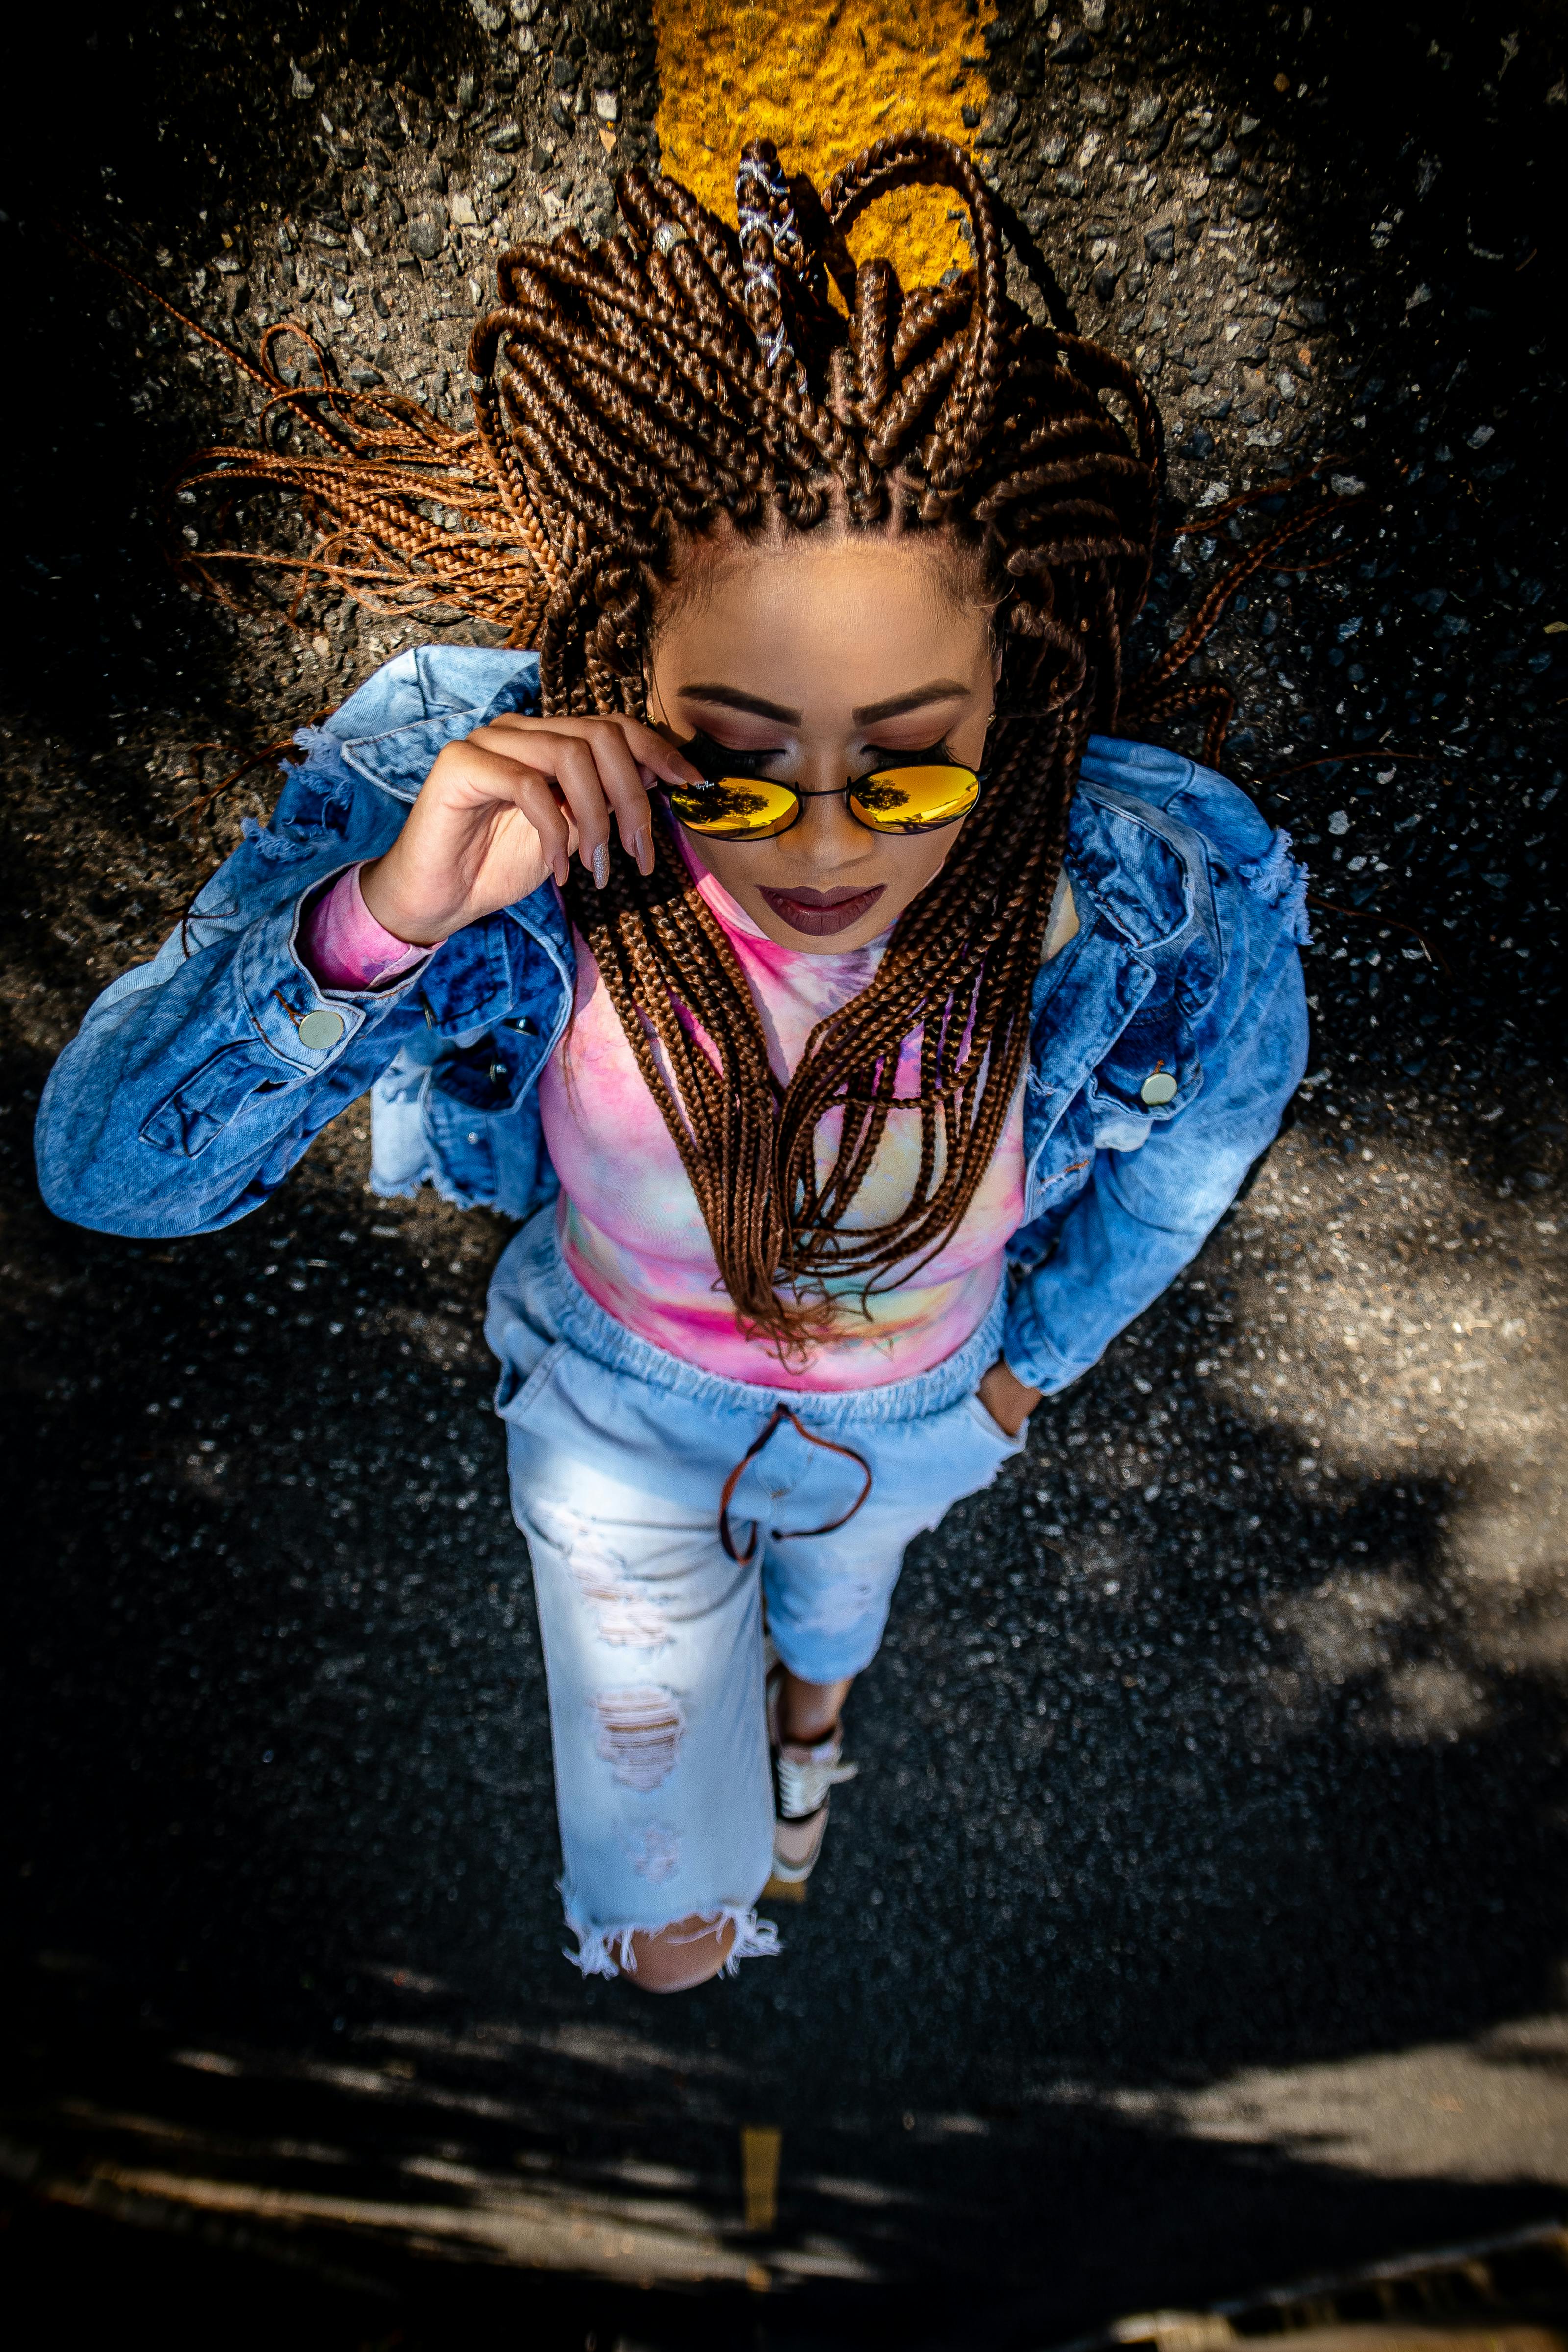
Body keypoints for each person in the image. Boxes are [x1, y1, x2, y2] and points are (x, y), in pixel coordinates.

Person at [35, 134, 1309, 1992]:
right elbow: (107, 1173)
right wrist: (380, 921)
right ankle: (772, 1759)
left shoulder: (1135, 884)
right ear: (634, 658)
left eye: (906, 766)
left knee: (831, 1620)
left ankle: (807, 1736)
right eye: (732, 760)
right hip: (624, 1417)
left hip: (915, 1415)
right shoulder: (498, 813)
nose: (815, 843)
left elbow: (1213, 1116)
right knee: (676, 1956)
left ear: (1014, 694)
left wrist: (1037, 1363)